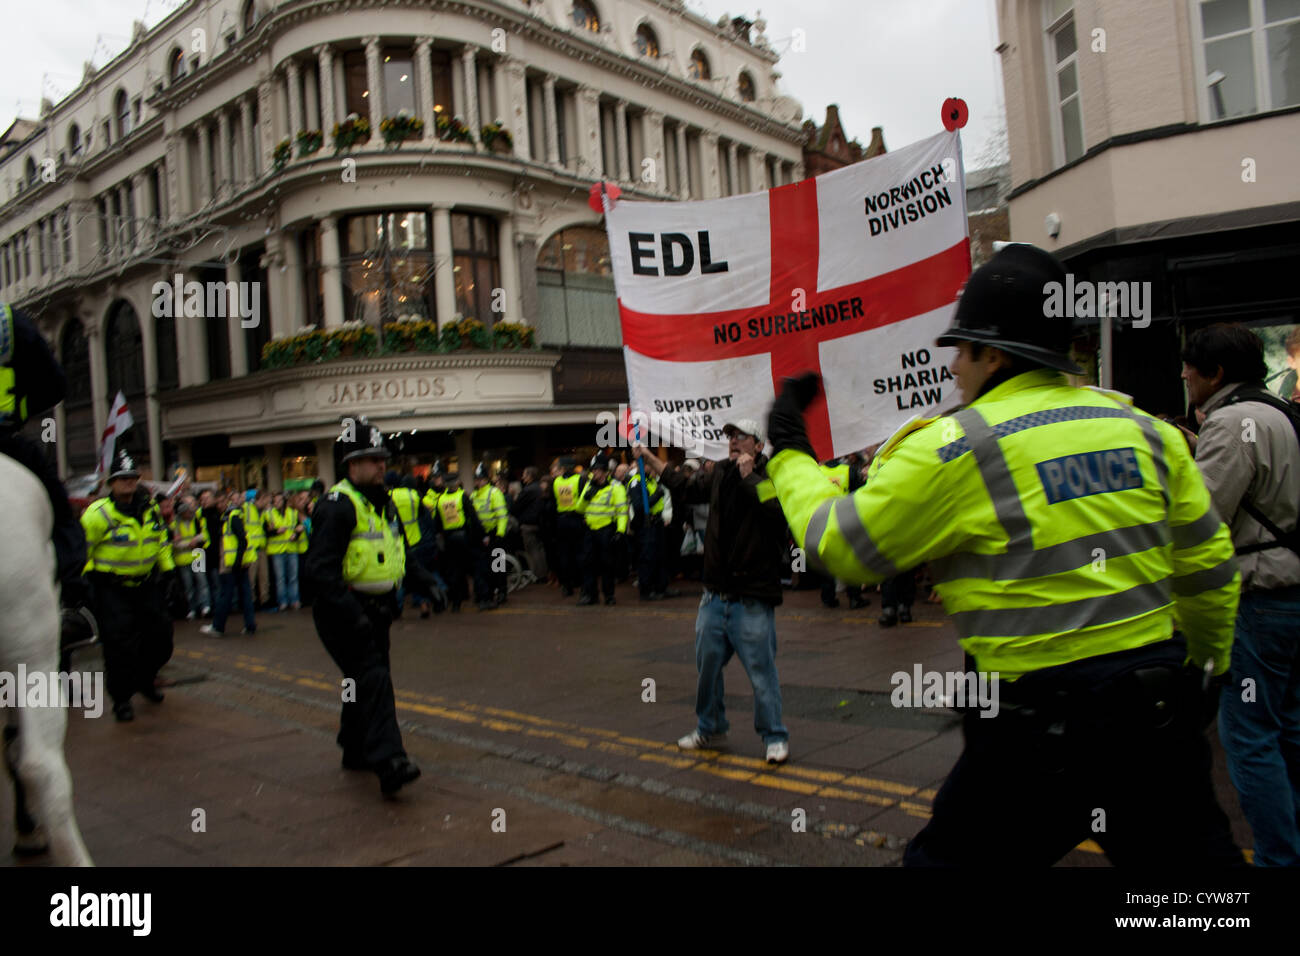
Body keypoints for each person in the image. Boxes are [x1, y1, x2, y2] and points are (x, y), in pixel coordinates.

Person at [764, 243, 1243, 865]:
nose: (954, 368)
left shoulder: (962, 446)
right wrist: (1208, 670)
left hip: (1034, 740)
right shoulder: (1148, 432)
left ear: (992, 354)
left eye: (961, 350)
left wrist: (787, 448)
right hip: (1154, 724)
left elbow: (840, 543)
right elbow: (1210, 571)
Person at [1181, 323, 1300, 866]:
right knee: (1289, 733)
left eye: (1190, 367)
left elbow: (1203, 520)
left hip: (1257, 602)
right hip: (1292, 594)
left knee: (1251, 740)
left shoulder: (1232, 423)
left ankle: (1279, 860)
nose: (1184, 375)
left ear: (1216, 374)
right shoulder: (1283, 413)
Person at [634, 421, 791, 764]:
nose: (732, 442)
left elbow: (778, 514)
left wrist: (750, 478)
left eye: (740, 437)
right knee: (707, 668)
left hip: (752, 597)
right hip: (715, 597)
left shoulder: (773, 476)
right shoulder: (720, 472)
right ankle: (711, 727)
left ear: (758, 445)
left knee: (761, 672)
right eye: (729, 437)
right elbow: (685, 485)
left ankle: (774, 735)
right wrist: (647, 456)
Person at [305, 417, 420, 796]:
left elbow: (400, 551)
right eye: (373, 459)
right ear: (352, 465)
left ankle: (353, 746)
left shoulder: (382, 502)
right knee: (373, 677)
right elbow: (320, 572)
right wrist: (351, 614)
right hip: (343, 611)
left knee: (362, 679)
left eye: (383, 458)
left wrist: (426, 582)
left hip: (376, 610)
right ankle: (390, 761)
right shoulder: (337, 506)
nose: (382, 465)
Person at [80, 450, 176, 722]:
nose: (128, 482)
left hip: (146, 586)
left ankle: (146, 680)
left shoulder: (150, 509)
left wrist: (168, 572)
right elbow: (82, 553)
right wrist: (87, 584)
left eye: (132, 477)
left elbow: (160, 543)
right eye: (121, 478)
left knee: (161, 639)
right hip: (112, 589)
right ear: (111, 482)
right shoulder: (97, 515)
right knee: (119, 647)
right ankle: (121, 699)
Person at [0, 303, 87, 596]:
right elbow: (53, 387)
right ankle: (75, 603)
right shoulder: (8, 322)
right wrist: (17, 409)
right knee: (60, 518)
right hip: (4, 442)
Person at [427, 464, 486, 613]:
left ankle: (456, 603)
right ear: (457, 483)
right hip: (464, 538)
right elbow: (473, 518)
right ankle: (482, 598)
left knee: (454, 572)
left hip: (449, 540)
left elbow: (437, 524)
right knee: (476, 567)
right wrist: (481, 536)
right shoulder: (462, 496)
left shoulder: (440, 499)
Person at [201, 489, 258, 637]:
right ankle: (250, 625)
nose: (219, 505)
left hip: (233, 563)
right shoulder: (231, 515)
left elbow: (242, 540)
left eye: (221, 502)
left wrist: (238, 560)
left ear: (226, 501)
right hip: (238, 561)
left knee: (226, 594)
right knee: (244, 593)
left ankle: (218, 627)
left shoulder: (232, 517)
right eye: (217, 502)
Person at [575, 454, 627, 606]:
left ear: (605, 472)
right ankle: (590, 595)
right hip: (590, 531)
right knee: (587, 563)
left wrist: (620, 531)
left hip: (606, 530)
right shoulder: (589, 485)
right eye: (593, 470)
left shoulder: (616, 488)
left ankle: (609, 595)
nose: (593, 473)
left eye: (596, 470)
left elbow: (622, 511)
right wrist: (585, 497)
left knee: (607, 564)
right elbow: (579, 509)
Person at [818, 458, 868, 611]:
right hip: (845, 519)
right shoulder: (849, 471)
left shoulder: (817, 472)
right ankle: (854, 597)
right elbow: (860, 494)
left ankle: (828, 597)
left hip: (825, 520)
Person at [627, 463, 679, 601]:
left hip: (656, 522)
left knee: (660, 556)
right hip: (646, 525)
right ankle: (646, 590)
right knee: (647, 557)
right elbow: (639, 506)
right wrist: (656, 495)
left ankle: (661, 586)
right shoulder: (636, 482)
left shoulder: (650, 481)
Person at [471, 462, 509, 609]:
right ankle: (489, 592)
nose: (478, 481)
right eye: (476, 479)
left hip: (494, 533)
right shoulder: (474, 495)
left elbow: (502, 515)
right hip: (481, 535)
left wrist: (500, 533)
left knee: (498, 566)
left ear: (486, 479)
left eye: (480, 479)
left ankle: (502, 592)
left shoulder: (494, 493)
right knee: (486, 566)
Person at [551, 456, 587, 596]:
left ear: (563, 467)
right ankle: (583, 585)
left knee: (565, 555)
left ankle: (567, 586)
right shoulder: (580, 479)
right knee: (580, 553)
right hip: (576, 519)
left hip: (561, 521)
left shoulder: (556, 482)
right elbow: (585, 499)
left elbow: (555, 502)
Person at [171, 495, 210, 618]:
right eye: (186, 512)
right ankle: (191, 609)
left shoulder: (197, 520)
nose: (189, 514)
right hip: (183, 558)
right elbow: (174, 543)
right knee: (188, 587)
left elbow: (205, 534)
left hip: (197, 554)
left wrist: (196, 539)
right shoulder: (175, 524)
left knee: (202, 583)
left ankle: (205, 606)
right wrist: (189, 543)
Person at [512, 465, 549, 582]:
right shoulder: (539, 488)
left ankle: (539, 575)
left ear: (529, 476)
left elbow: (516, 507)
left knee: (533, 550)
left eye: (524, 474)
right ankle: (543, 573)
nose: (522, 477)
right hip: (539, 523)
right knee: (539, 549)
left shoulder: (528, 490)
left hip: (528, 523)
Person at [265, 491, 301, 611]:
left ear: (284, 501)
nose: (277, 503)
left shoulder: (292, 513)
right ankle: (283, 602)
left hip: (291, 548)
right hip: (277, 551)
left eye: (279, 500)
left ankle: (294, 600)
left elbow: (299, 527)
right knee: (280, 578)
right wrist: (276, 532)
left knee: (293, 577)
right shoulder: (268, 514)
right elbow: (265, 532)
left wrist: (295, 535)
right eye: (275, 501)